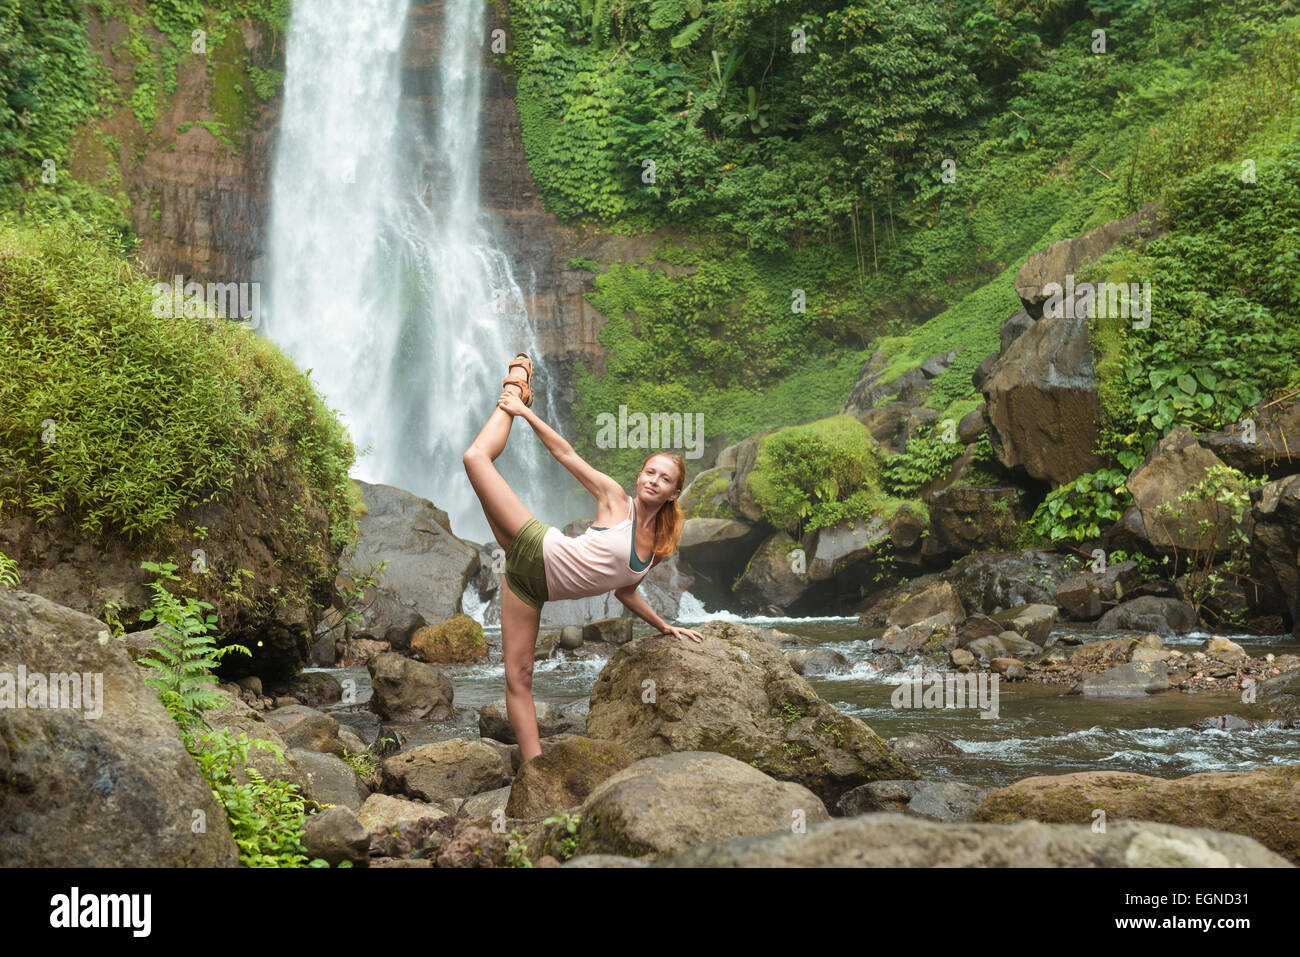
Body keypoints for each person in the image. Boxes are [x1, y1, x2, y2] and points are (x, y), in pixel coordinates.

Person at [461, 352, 704, 764]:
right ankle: (515, 388)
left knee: (519, 677)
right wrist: (524, 413)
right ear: (639, 476)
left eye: (664, 479)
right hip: (535, 545)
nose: (653, 480)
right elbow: (567, 455)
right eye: (650, 472)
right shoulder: (614, 499)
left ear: (673, 493)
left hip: (526, 586)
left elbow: (626, 592)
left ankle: (535, 769)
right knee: (474, 459)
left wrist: (664, 626)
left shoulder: (657, 548)